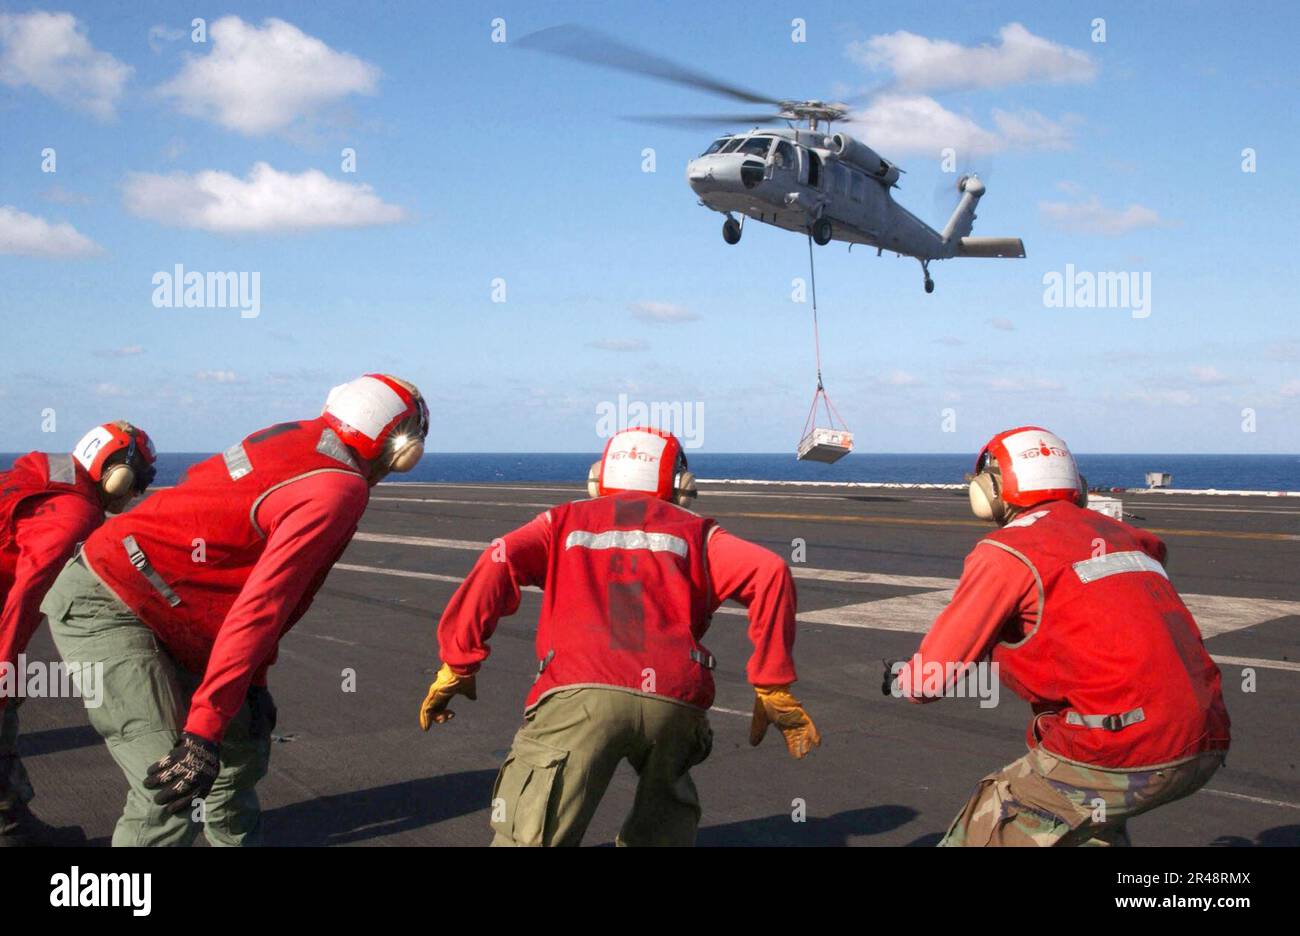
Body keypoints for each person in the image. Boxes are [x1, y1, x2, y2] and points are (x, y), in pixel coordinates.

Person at [41, 374, 428, 846]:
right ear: (400, 447)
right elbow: (262, 607)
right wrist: (202, 732)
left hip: (170, 605)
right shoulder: (338, 490)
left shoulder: (295, 437)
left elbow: (259, 593)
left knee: (243, 744)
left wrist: (253, 683)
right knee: (170, 790)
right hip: (107, 598)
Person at [419, 426, 819, 846]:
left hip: (579, 690)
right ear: (681, 487)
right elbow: (771, 571)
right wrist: (773, 685)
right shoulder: (698, 533)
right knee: (664, 822)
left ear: (598, 479)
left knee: (533, 831)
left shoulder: (560, 522)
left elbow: (497, 560)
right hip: (673, 696)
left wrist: (457, 664)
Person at [885, 426, 1230, 846]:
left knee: (991, 822)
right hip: (1206, 737)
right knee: (1089, 828)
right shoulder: (1131, 539)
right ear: (1076, 486)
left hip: (1121, 747)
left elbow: (927, 683)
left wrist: (904, 677)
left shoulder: (1006, 552)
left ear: (990, 490)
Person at [0, 422, 156, 845]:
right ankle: (11, 834)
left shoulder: (49, 472)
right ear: (116, 473)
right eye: (136, 479)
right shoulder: (75, 516)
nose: (135, 492)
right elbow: (27, 592)